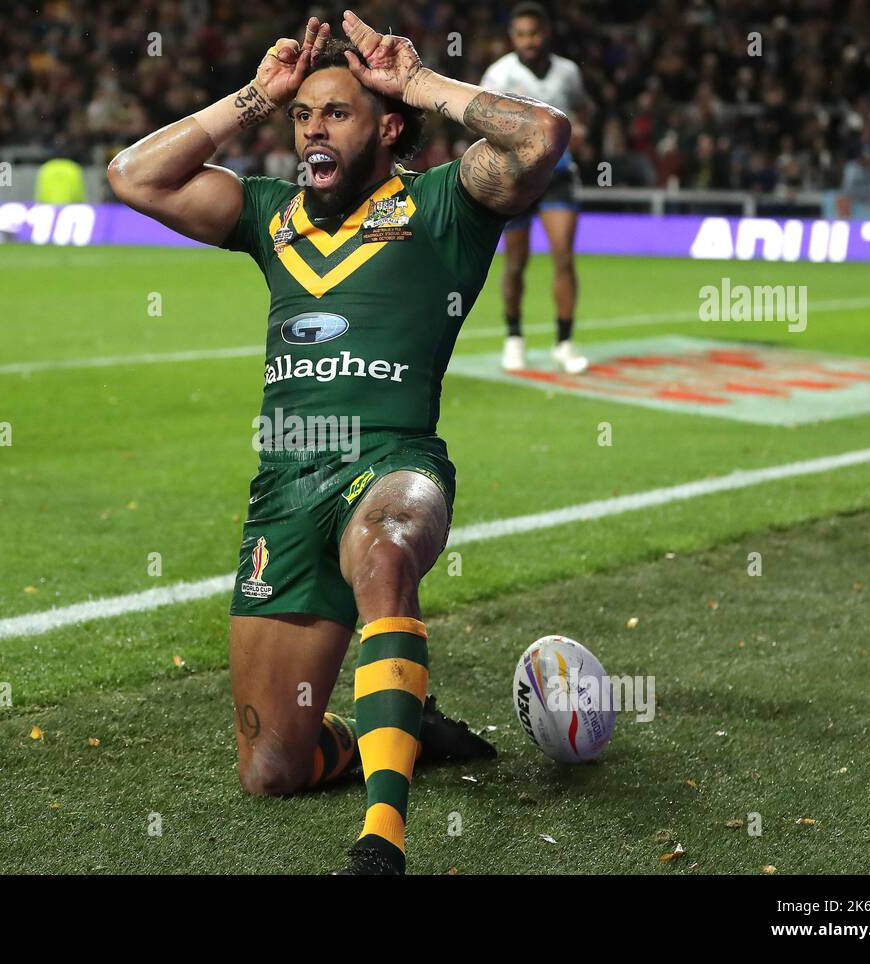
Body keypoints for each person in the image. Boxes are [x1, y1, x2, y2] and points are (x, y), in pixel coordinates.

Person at [107, 11, 569, 875]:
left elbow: (543, 136)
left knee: (386, 551)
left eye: (337, 113)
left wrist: (420, 83)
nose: (312, 129)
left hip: (392, 462)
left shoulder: (444, 204)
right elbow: (133, 176)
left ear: (388, 128)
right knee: (272, 769)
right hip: (283, 487)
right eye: (303, 116)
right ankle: (401, 724)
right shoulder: (267, 213)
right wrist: (255, 96)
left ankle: (382, 839)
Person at [481, 2, 590, 373]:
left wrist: (581, 129)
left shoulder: (567, 72)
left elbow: (582, 106)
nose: (529, 41)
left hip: (559, 175)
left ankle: (565, 343)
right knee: (515, 263)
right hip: (516, 177)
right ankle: (514, 337)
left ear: (546, 33)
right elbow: (480, 121)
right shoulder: (499, 75)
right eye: (522, 34)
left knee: (564, 257)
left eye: (535, 33)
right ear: (513, 36)